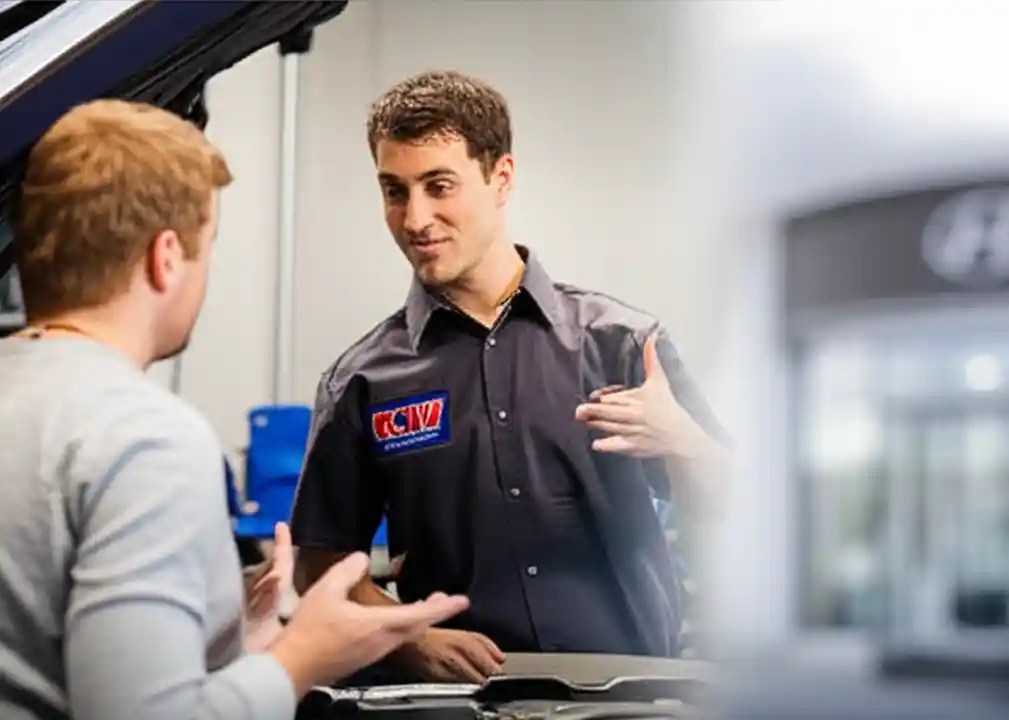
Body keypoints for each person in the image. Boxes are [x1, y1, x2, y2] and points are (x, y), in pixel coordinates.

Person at [0, 98, 469, 720]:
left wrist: (217, 640)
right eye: (207, 246)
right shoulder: (145, 440)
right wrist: (304, 654)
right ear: (166, 257)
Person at [290, 70, 730, 685]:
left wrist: (684, 444)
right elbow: (320, 565)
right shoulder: (362, 380)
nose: (416, 218)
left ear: (501, 178)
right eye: (395, 191)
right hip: (460, 701)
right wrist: (407, 636)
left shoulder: (621, 345)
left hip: (628, 692)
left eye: (439, 186)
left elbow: (736, 515)